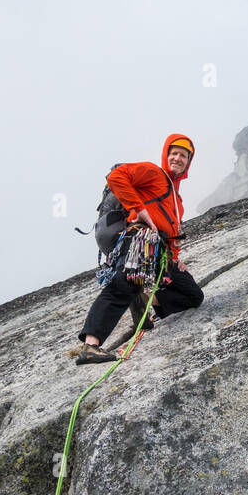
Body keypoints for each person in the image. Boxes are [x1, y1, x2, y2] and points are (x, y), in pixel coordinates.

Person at [74, 134, 203, 364]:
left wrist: (175, 258)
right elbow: (117, 176)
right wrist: (139, 209)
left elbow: (172, 234)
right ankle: (90, 346)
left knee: (194, 295)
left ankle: (147, 299)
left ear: (188, 163)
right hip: (140, 242)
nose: (177, 158)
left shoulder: (178, 202)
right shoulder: (153, 172)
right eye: (173, 153)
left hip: (160, 254)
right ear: (166, 155)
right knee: (122, 286)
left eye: (183, 155)